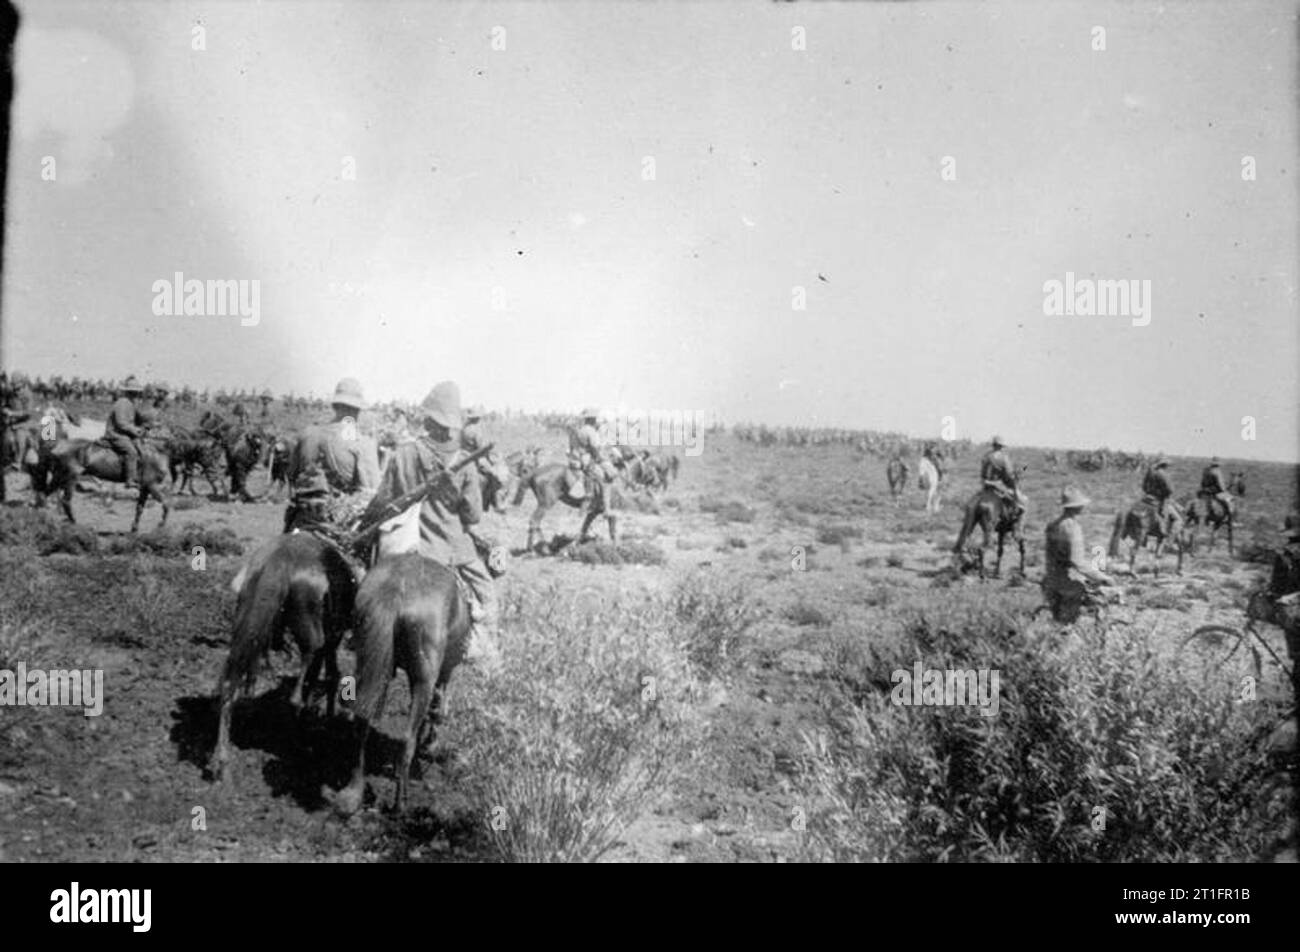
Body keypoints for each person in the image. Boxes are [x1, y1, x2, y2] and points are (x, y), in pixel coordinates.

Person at [358, 381, 500, 672]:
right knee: (487, 591)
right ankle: (484, 652)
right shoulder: (465, 462)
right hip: (450, 547)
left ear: (429, 419)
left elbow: (385, 499)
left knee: (364, 574)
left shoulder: (404, 453)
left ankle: (356, 638)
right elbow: (472, 516)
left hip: (404, 542)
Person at [284, 377, 380, 532]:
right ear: (357, 410)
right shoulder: (361, 442)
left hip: (302, 516)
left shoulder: (308, 434)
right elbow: (371, 492)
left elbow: (291, 475)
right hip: (340, 523)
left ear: (335, 406)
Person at [1042, 486, 1113, 623]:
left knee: (1057, 621)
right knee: (1095, 601)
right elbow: (1077, 562)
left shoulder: (1052, 525)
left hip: (1050, 578)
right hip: (1066, 581)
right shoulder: (1073, 528)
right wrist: (1102, 577)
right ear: (1077, 507)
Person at [105, 376, 148, 488]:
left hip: (123, 433)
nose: (136, 395)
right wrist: (135, 430)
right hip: (115, 434)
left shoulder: (130, 404)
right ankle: (130, 479)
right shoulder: (122, 403)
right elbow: (121, 423)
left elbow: (137, 419)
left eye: (137, 393)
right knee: (131, 452)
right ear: (129, 392)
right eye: (134, 392)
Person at [980, 436, 1023, 517]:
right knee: (1022, 499)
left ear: (993, 445)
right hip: (997, 485)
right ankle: (1017, 522)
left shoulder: (985, 456)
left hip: (985, 485)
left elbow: (982, 474)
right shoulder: (1003, 458)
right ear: (1000, 446)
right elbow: (1008, 474)